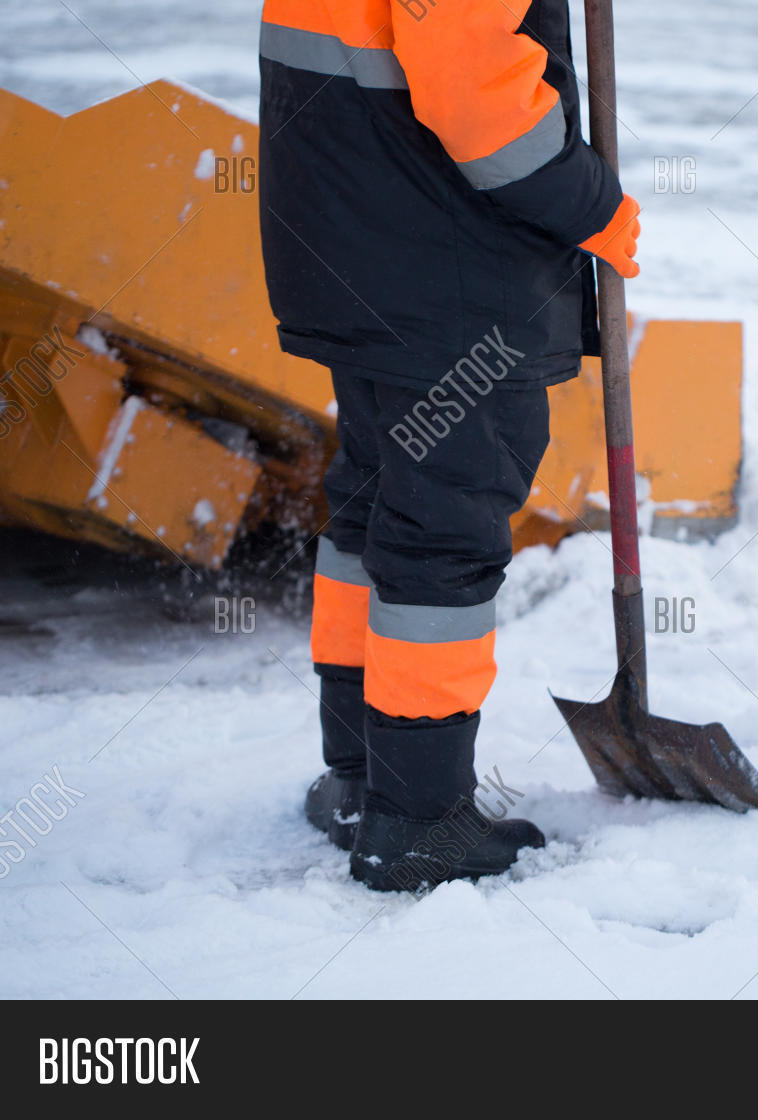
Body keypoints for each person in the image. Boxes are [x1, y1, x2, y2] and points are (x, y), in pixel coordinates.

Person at [257, 0, 640, 889]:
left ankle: (360, 778)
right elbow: (470, 80)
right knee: (443, 527)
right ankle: (419, 818)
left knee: (374, 499)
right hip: (442, 258)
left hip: (353, 225)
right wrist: (592, 204)